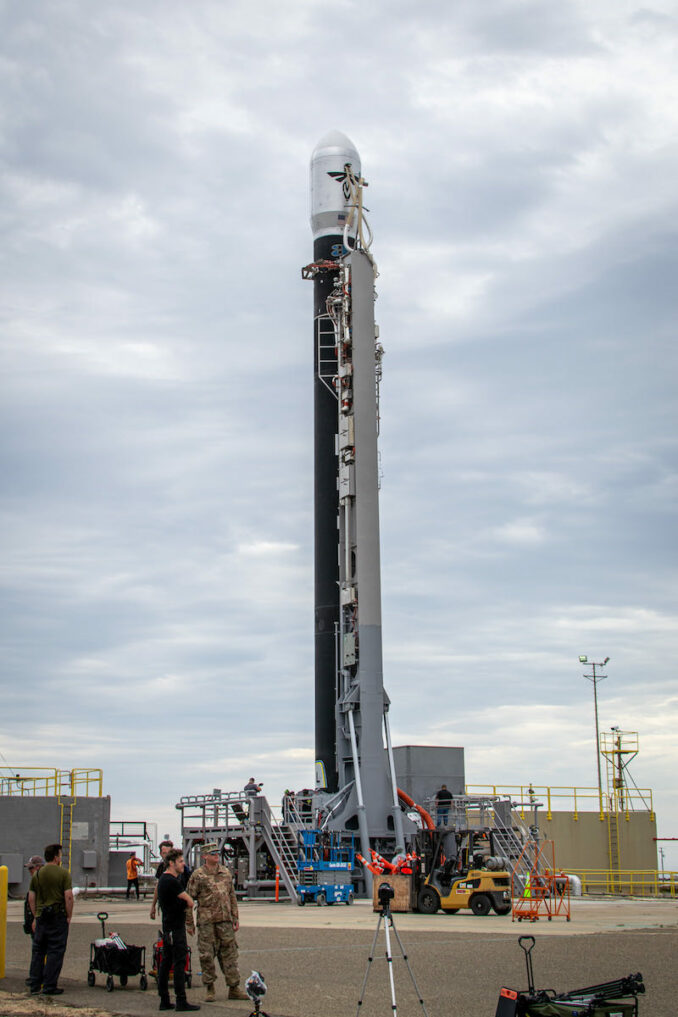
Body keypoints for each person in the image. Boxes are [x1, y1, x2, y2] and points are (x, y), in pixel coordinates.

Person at [186, 843, 248, 1002]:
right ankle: (210, 988)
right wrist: (189, 923)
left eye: (217, 852)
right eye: (212, 853)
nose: (216, 855)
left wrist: (235, 917)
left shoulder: (225, 873)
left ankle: (234, 988)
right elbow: (188, 900)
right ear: (204, 856)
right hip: (206, 922)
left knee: (230, 955)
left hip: (225, 921)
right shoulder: (197, 876)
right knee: (206, 955)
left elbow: (232, 896)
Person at [157, 848, 200, 1012]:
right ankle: (181, 1000)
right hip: (175, 928)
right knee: (179, 962)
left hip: (168, 927)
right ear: (172, 863)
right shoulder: (171, 881)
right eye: (181, 861)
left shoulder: (164, 879)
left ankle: (164, 1000)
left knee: (166, 962)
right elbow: (189, 901)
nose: (184, 864)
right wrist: (184, 903)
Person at [28, 843, 73, 996]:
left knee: (38, 951)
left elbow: (31, 898)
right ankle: (49, 986)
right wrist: (69, 915)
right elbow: (68, 896)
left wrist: (36, 915)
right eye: (60, 855)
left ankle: (34, 984)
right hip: (57, 917)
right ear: (56, 857)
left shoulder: (37, 875)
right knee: (55, 951)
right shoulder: (63, 874)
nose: (61, 858)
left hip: (41, 918)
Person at [151, 840, 192, 920]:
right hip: (168, 908)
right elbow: (157, 887)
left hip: (181, 906)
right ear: (160, 854)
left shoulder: (182, 869)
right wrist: (153, 906)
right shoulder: (162, 868)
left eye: (169, 853)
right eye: (164, 853)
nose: (166, 856)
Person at [23, 856, 44, 985]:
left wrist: (36, 919)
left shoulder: (40, 882)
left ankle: (37, 977)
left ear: (38, 867)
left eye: (31, 868)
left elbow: (33, 901)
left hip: (38, 921)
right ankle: (35, 975)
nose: (29, 871)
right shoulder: (35, 881)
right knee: (36, 950)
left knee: (38, 950)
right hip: (33, 921)